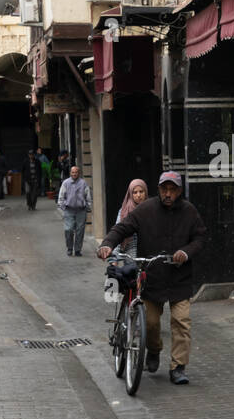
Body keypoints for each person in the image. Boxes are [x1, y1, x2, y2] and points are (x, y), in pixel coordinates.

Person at [97, 171, 206, 385]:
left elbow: (200, 237)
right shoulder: (146, 210)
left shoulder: (189, 212)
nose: (167, 193)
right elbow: (122, 227)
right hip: (152, 278)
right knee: (151, 323)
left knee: (181, 322)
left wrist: (186, 252)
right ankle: (153, 350)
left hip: (180, 278)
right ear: (158, 190)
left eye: (172, 189)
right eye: (164, 189)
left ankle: (178, 367)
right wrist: (107, 243)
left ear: (179, 191)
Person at [56, 164, 92, 256]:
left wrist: (88, 207)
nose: (74, 174)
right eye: (72, 172)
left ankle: (77, 250)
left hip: (81, 210)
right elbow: (61, 197)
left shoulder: (83, 183)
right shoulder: (66, 183)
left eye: (76, 172)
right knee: (68, 229)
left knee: (80, 231)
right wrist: (63, 207)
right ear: (70, 173)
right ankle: (69, 248)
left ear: (79, 173)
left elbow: (88, 196)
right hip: (69, 210)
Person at [114, 178, 148, 254]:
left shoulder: (151, 208)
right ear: (130, 194)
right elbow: (118, 231)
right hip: (130, 253)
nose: (138, 195)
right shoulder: (124, 210)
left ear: (145, 192)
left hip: (148, 252)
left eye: (141, 192)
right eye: (135, 192)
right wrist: (114, 257)